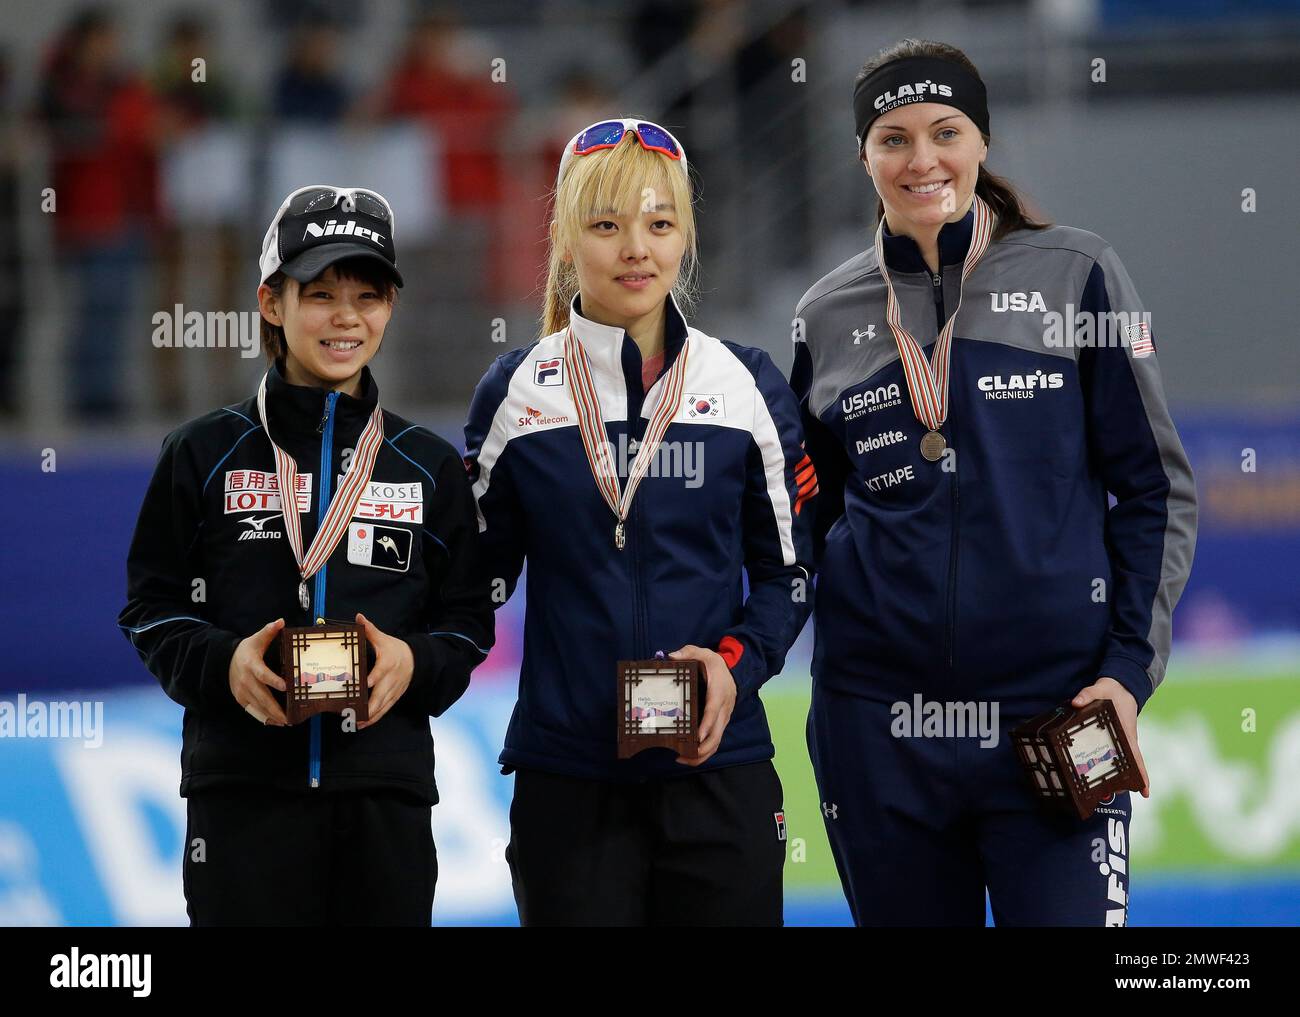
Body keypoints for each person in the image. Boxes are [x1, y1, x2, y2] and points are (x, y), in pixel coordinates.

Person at [792, 40, 1197, 927]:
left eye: (945, 131)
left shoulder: (1079, 274)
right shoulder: (824, 314)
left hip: (1053, 716)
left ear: (982, 141)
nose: (921, 159)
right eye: (892, 138)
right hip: (880, 728)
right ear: (863, 155)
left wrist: (1127, 673)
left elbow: (1155, 489)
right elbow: (798, 520)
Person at [464, 119, 816, 926]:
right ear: (563, 238)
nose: (636, 249)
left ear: (685, 237)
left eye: (659, 224)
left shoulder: (746, 386)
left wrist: (733, 665)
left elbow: (788, 574)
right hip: (569, 784)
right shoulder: (516, 392)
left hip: (719, 776)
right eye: (607, 224)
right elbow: (473, 577)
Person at [118, 185, 494, 926]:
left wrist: (414, 664)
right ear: (270, 302)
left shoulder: (426, 466)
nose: (347, 316)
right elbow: (149, 609)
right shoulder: (201, 452)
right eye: (320, 293)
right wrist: (222, 663)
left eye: (368, 294)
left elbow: (468, 620)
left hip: (385, 799)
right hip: (241, 797)